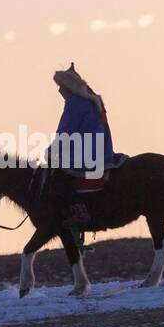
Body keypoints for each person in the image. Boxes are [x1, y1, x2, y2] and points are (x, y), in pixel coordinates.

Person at [48, 63, 116, 230]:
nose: (59, 91)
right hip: (99, 149)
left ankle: (80, 212)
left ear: (68, 87)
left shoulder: (75, 103)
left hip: (86, 151)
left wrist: (51, 151)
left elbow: (65, 131)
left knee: (58, 178)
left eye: (61, 87)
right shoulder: (92, 101)